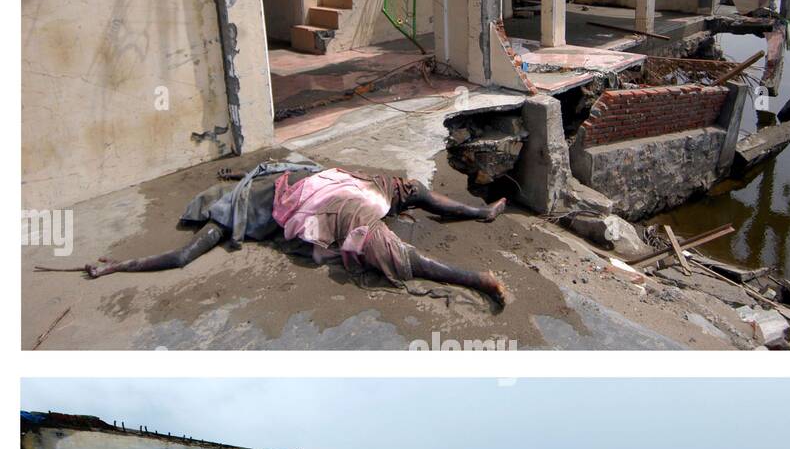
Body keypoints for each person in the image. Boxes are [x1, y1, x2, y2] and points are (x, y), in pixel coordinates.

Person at [81, 160, 508, 306]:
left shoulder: (231, 211)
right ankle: (477, 226)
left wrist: (115, 266)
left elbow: (179, 257)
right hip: (334, 186)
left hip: (327, 197)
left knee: (389, 225)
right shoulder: (247, 193)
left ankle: (474, 268)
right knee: (409, 192)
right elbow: (272, 168)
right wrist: (115, 266)